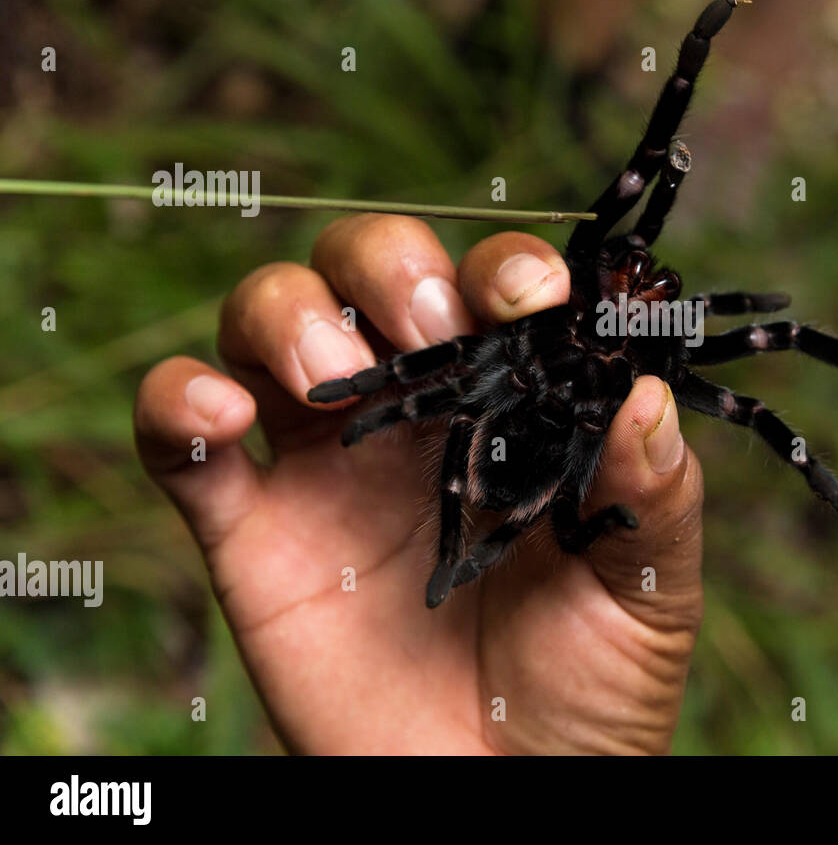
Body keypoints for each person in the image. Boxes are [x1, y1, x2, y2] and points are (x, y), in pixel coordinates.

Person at [132, 214, 705, 754]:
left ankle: (462, 555)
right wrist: (371, 399)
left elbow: (569, 526)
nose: (641, 291)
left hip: (550, 443)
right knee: (462, 393)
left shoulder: (651, 365)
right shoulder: (557, 304)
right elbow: (464, 352)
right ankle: (454, 554)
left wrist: (597, 521)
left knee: (482, 426)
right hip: (516, 403)